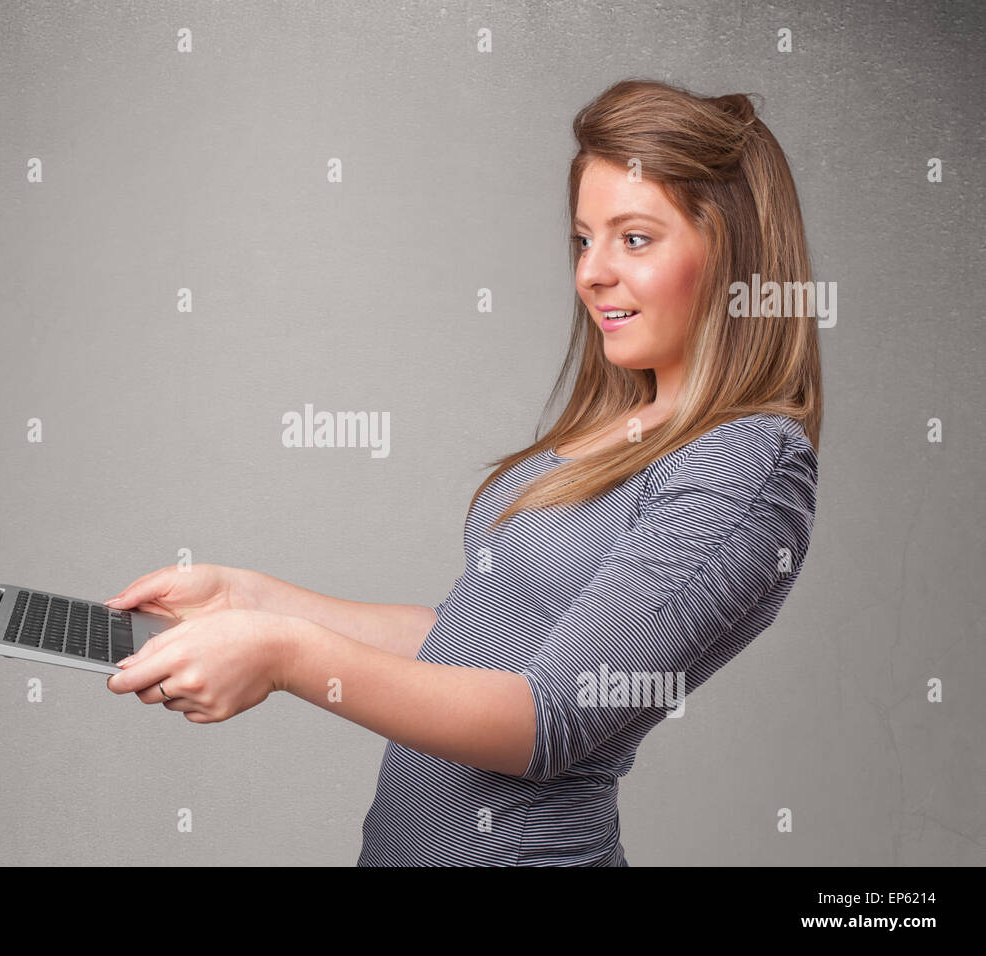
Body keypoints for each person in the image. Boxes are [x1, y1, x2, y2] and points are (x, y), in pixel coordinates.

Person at [104, 78, 822, 866]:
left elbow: (548, 719)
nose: (592, 272)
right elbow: (468, 642)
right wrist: (255, 599)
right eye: (584, 239)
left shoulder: (748, 464)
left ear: (730, 252)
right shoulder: (623, 422)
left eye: (635, 239)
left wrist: (283, 656)